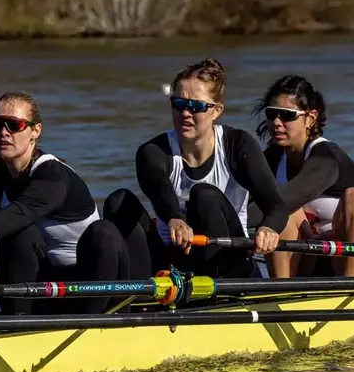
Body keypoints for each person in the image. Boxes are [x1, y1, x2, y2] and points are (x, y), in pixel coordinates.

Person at [104, 58, 287, 279]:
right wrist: (175, 218)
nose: (185, 114)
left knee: (204, 195)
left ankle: (218, 291)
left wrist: (268, 228)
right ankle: (137, 296)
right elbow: (158, 188)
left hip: (229, 259)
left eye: (196, 107)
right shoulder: (153, 151)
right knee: (119, 201)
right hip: (174, 258)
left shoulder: (238, 145)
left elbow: (276, 207)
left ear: (216, 111)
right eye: (179, 104)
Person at [0, 92, 135, 314]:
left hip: (93, 288)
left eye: (14, 125)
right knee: (19, 234)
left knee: (103, 232)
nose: (4, 133)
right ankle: (17, 321)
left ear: (35, 131)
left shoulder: (52, 176)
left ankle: (96, 322)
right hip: (46, 288)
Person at [254, 74, 354, 278]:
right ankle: (281, 290)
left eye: (286, 115)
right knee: (283, 212)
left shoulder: (327, 157)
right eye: (271, 114)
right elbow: (240, 201)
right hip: (312, 259)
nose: (276, 123)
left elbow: (290, 196)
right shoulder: (272, 159)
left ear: (311, 118)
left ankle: (352, 287)